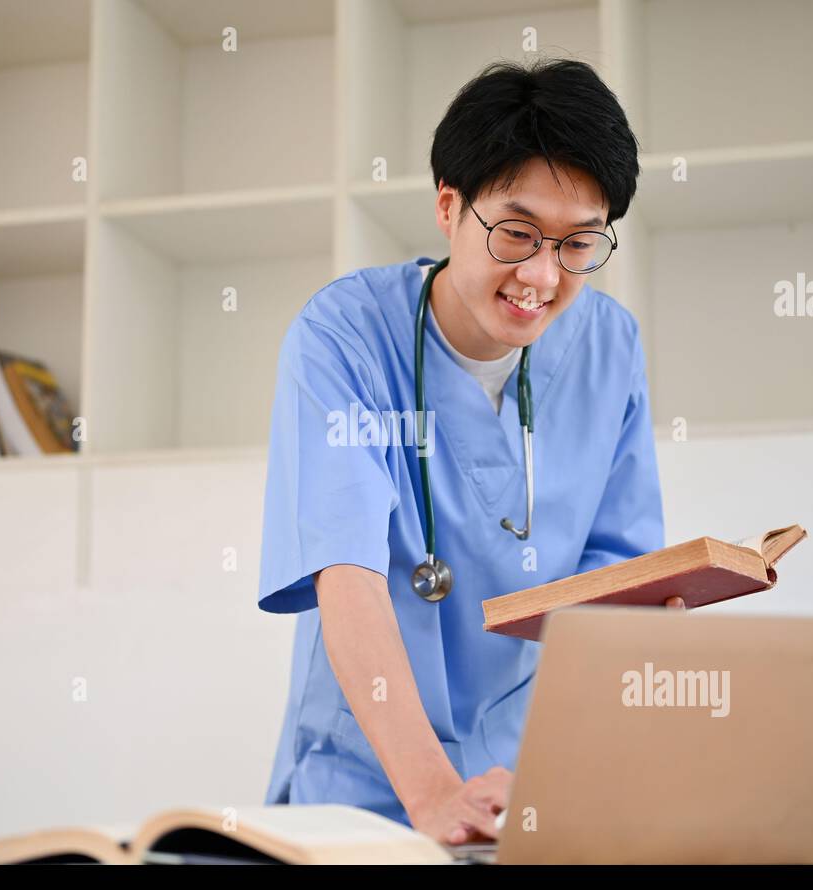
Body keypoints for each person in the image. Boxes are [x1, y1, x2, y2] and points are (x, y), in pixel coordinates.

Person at [257, 58, 669, 846]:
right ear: (449, 207)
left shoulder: (609, 348)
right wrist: (434, 794)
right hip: (364, 785)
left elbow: (612, 582)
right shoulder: (343, 338)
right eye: (516, 232)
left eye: (579, 244)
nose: (543, 276)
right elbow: (346, 572)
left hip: (522, 789)